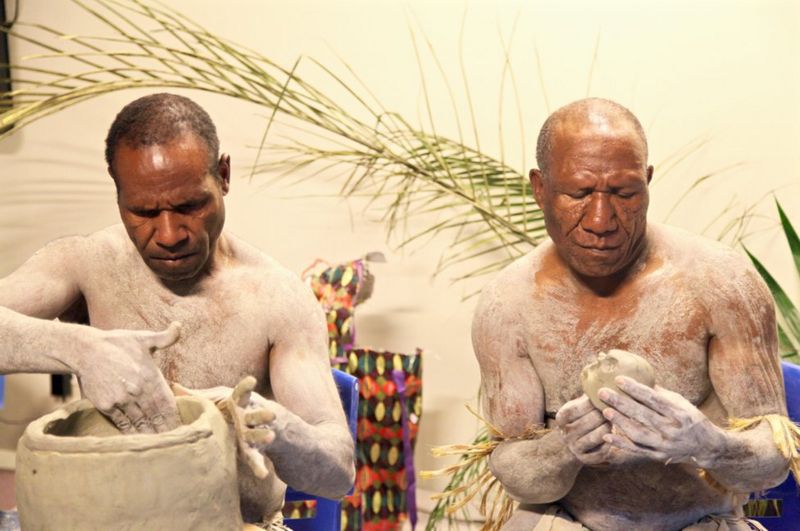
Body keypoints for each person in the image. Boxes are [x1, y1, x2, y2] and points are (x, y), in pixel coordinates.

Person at [0, 93, 354, 526]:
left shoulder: (278, 298)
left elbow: (338, 472)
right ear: (118, 196)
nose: (168, 234)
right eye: (143, 211)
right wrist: (78, 346)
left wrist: (273, 423)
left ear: (223, 176)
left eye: (189, 206)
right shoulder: (86, 262)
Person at [472, 98, 790, 530]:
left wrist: (707, 444)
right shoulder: (507, 304)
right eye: (578, 193)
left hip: (699, 522)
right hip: (564, 522)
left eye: (624, 193)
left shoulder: (721, 283)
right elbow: (518, 479)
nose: (601, 221)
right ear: (540, 188)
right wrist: (564, 449)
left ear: (647, 182)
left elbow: (772, 466)